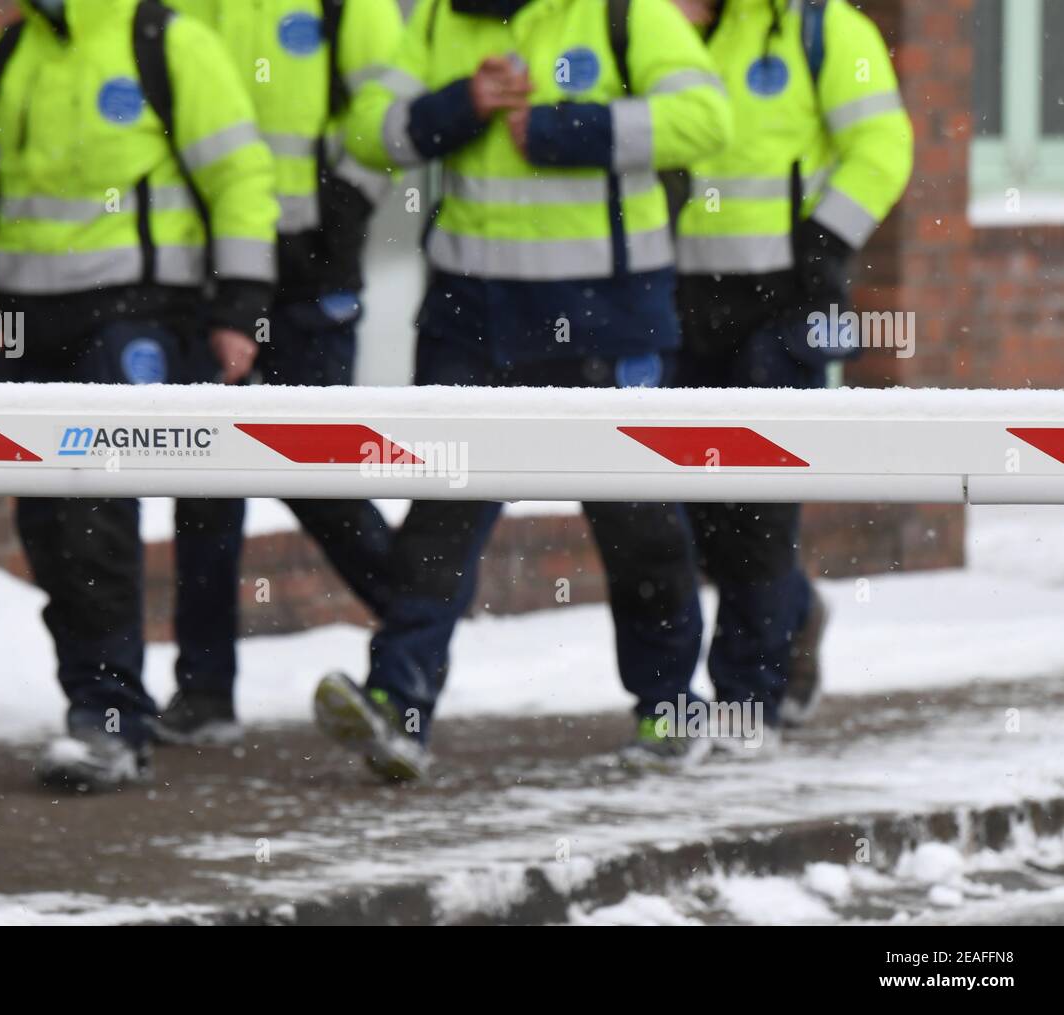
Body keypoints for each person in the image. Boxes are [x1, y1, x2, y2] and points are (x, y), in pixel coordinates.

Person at [311, 0, 733, 780]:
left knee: (639, 523)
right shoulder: (441, 20)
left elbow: (707, 118)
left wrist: (569, 130)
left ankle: (670, 705)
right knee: (439, 518)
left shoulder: (624, 14)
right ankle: (399, 704)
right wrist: (458, 106)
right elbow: (369, 130)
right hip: (472, 318)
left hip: (610, 319)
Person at [0, 0, 278, 790]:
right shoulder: (5, 58)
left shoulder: (168, 43)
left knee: (96, 507)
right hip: (30, 318)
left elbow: (239, 174)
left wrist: (240, 305)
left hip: (134, 309)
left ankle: (108, 719)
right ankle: (95, 700)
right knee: (41, 515)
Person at [154, 0, 406, 746]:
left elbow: (389, 107)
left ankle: (417, 622)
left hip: (309, 269)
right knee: (206, 482)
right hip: (214, 268)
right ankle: (204, 689)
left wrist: (349, 197)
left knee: (318, 470)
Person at [670, 0, 912, 737]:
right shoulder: (658, 24)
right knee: (687, 506)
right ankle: (796, 610)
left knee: (759, 511)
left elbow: (883, 144)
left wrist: (823, 237)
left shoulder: (823, 29)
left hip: (782, 304)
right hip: (676, 298)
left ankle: (748, 701)